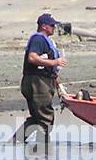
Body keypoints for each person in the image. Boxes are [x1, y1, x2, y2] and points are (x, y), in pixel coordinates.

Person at [20, 12, 65, 142]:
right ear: (44, 26)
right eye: (52, 25)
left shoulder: (46, 41)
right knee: (45, 117)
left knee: (36, 118)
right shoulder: (38, 39)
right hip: (37, 82)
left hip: (43, 81)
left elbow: (47, 63)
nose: (54, 28)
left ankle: (16, 141)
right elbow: (32, 57)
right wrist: (54, 63)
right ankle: (43, 148)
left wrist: (56, 80)